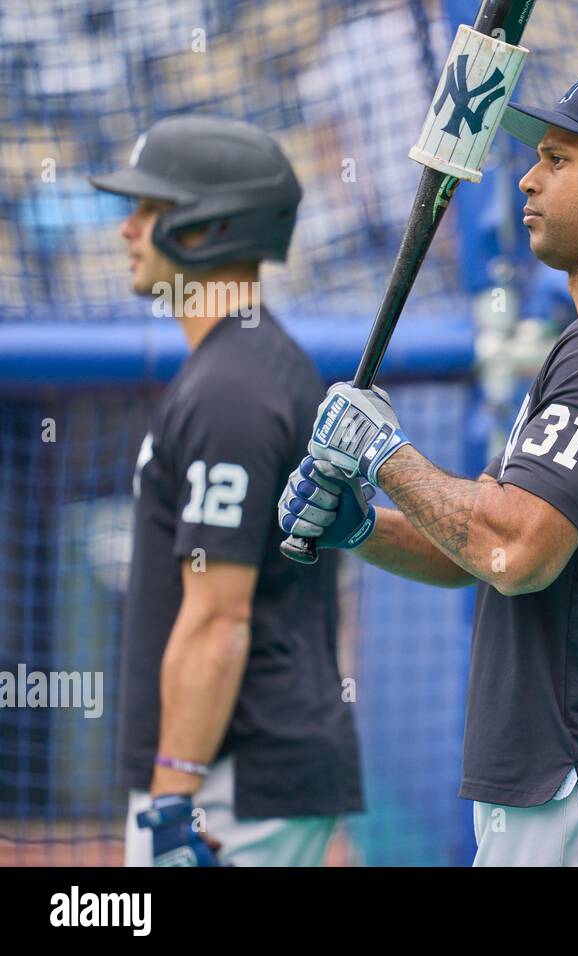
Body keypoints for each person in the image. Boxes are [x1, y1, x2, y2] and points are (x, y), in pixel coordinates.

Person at [279, 67, 578, 866]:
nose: (527, 176)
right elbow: (477, 552)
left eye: (558, 158)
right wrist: (359, 527)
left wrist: (384, 454)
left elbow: (514, 552)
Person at [90, 114, 363, 866]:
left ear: (208, 227)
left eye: (150, 209)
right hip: (243, 776)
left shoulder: (231, 387)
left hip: (228, 786)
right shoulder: (245, 366)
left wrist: (175, 801)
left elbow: (218, 617)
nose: (127, 229)